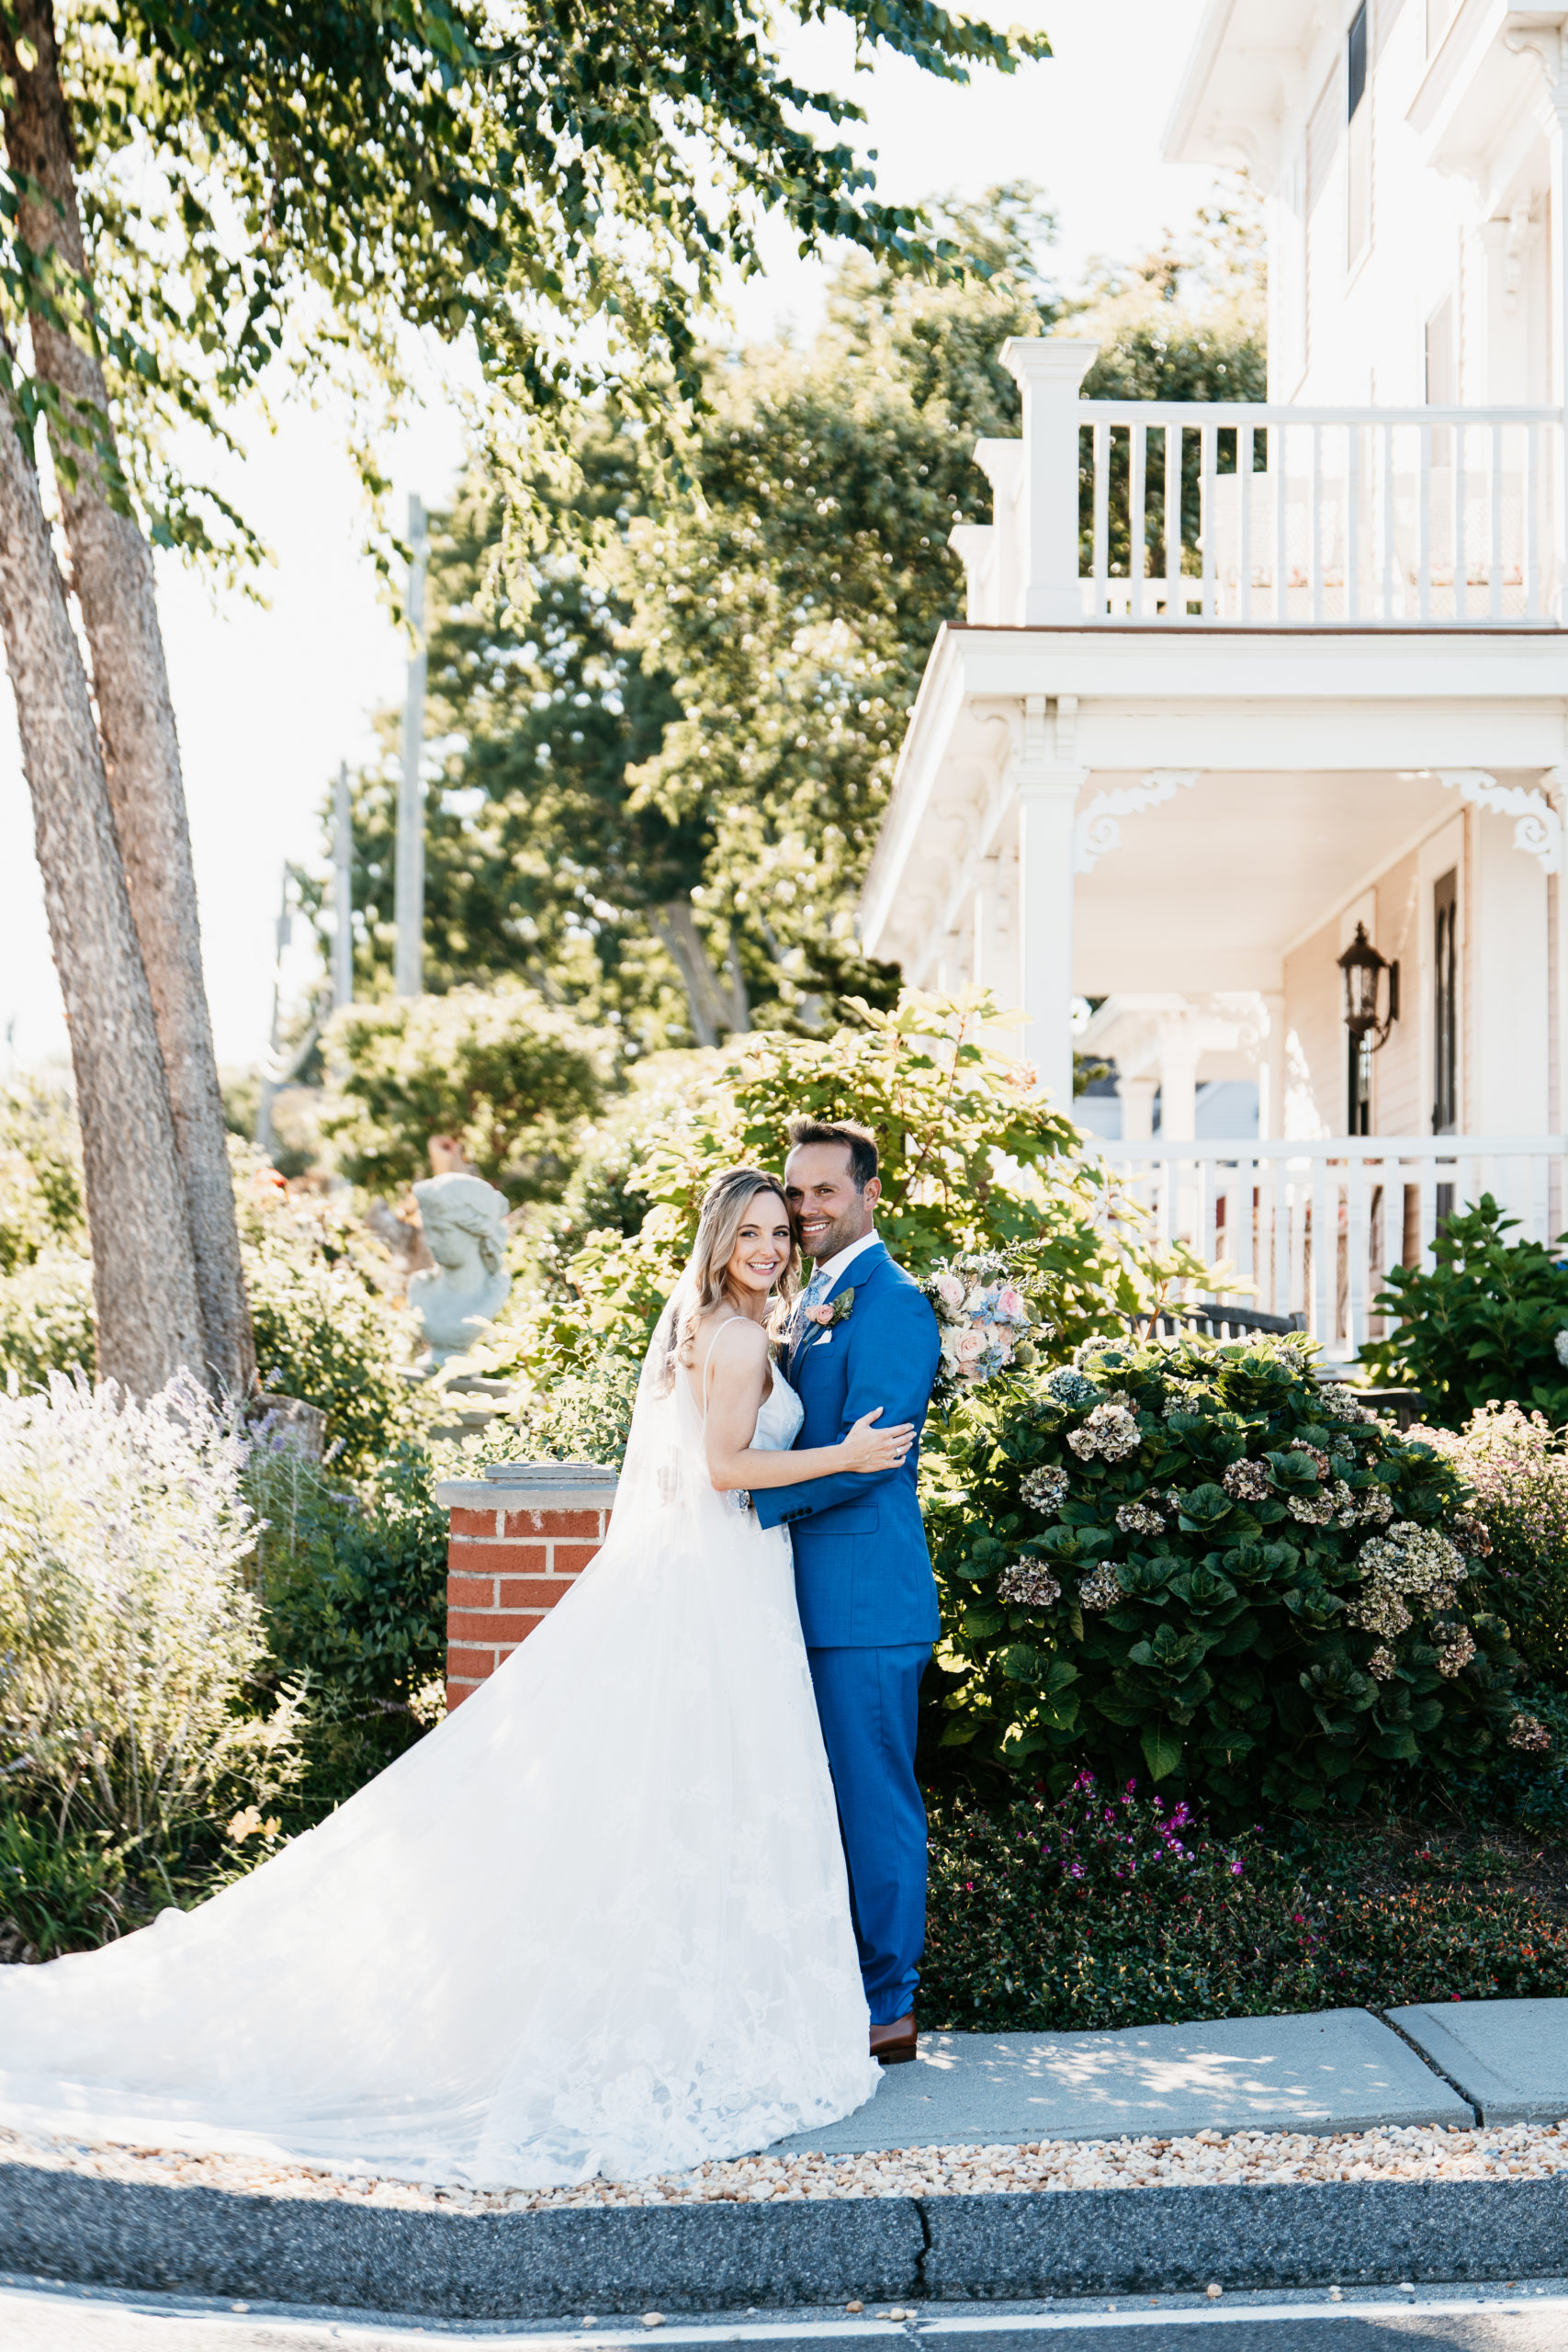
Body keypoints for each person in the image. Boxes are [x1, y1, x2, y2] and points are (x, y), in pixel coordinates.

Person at [0, 1170, 916, 2189]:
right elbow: (724, 1469)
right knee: (711, 1785)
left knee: (676, 1791)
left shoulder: (718, 1325)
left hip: (719, 1580)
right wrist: (846, 1449)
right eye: (749, 1232)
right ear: (718, 1239)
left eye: (779, 1231)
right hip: (726, 1580)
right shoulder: (741, 1337)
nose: (770, 1247)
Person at [755, 1120, 942, 2067]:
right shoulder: (808, 1298)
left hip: (865, 1602)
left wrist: (750, 1497)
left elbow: (874, 1453)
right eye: (796, 1192)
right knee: (814, 1801)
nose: (806, 1209)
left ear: (871, 1195)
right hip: (804, 1595)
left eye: (825, 1190)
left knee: (873, 1802)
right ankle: (832, 1987)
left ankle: (888, 2004)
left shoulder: (894, 1305)